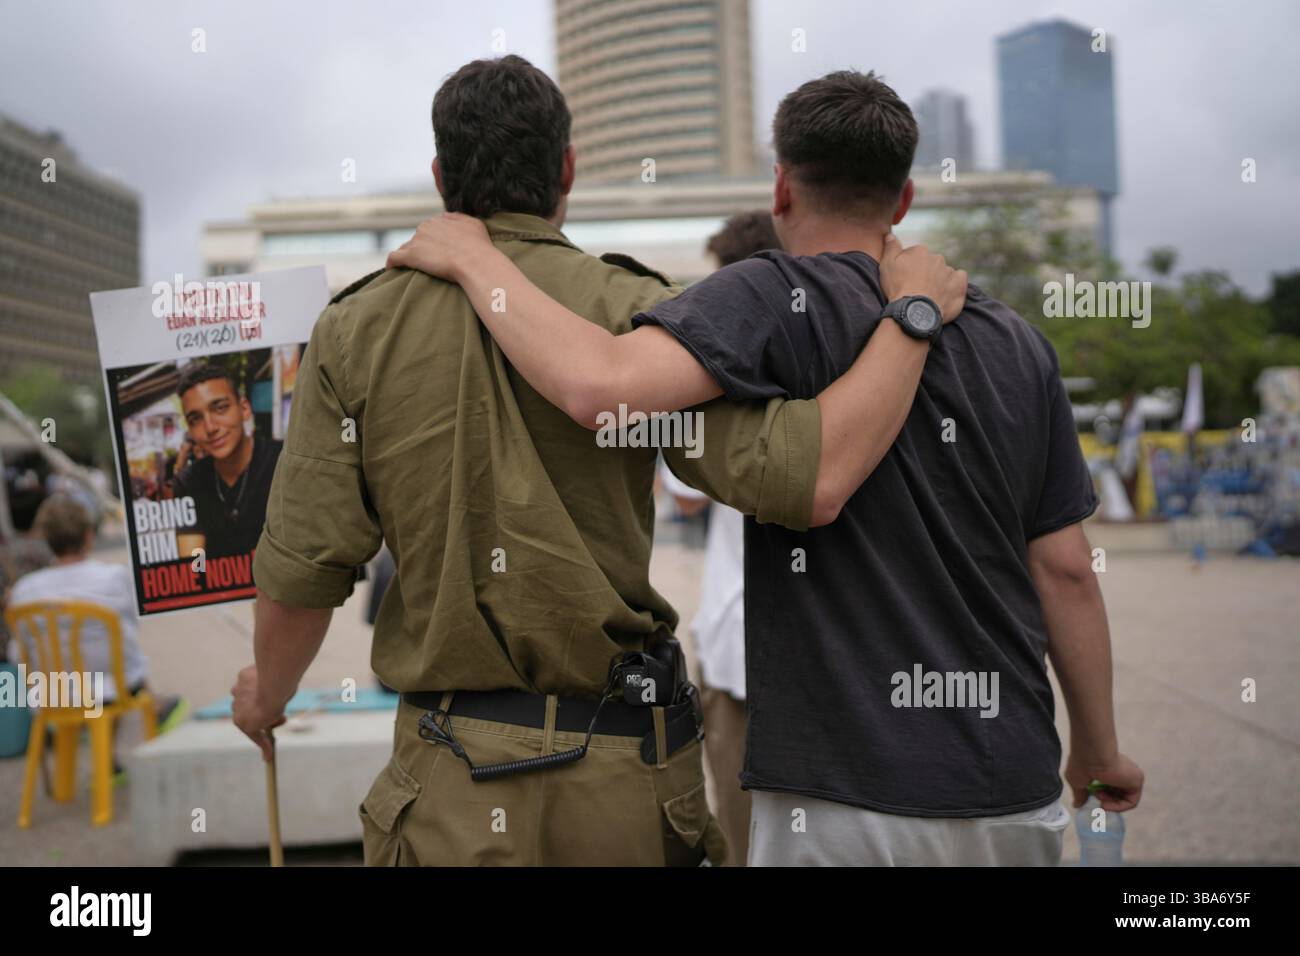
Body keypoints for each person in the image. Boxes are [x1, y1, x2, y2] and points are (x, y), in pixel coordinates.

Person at [388, 68, 1144, 866]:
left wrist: (478, 263)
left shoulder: (769, 297)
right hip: (1012, 788)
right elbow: (1066, 571)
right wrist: (1097, 751)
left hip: (841, 794)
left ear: (781, 186)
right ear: (906, 196)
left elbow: (599, 385)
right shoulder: (1017, 341)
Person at [231, 55, 965, 867]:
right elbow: (795, 471)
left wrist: (268, 694)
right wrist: (909, 322)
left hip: (448, 779)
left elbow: (304, 568)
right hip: (623, 770)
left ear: (440, 175)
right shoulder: (633, 307)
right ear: (568, 169)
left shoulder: (354, 327)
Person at [660, 210, 784, 866]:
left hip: (738, 649)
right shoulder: (854, 355)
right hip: (831, 663)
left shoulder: (724, 376)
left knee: (739, 841)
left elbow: (682, 495)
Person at [6, 495, 187, 774]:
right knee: (112, 672)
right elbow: (129, 629)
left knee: (92, 675)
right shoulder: (112, 577)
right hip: (109, 687)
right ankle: (153, 714)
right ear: (89, 536)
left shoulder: (25, 590)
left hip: (51, 693)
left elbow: (18, 651)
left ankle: (102, 751)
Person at [169, 363, 281, 559]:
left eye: (220, 408)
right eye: (196, 419)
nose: (210, 427)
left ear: (244, 409)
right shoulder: (189, 482)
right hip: (221, 588)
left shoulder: (285, 461)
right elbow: (194, 565)